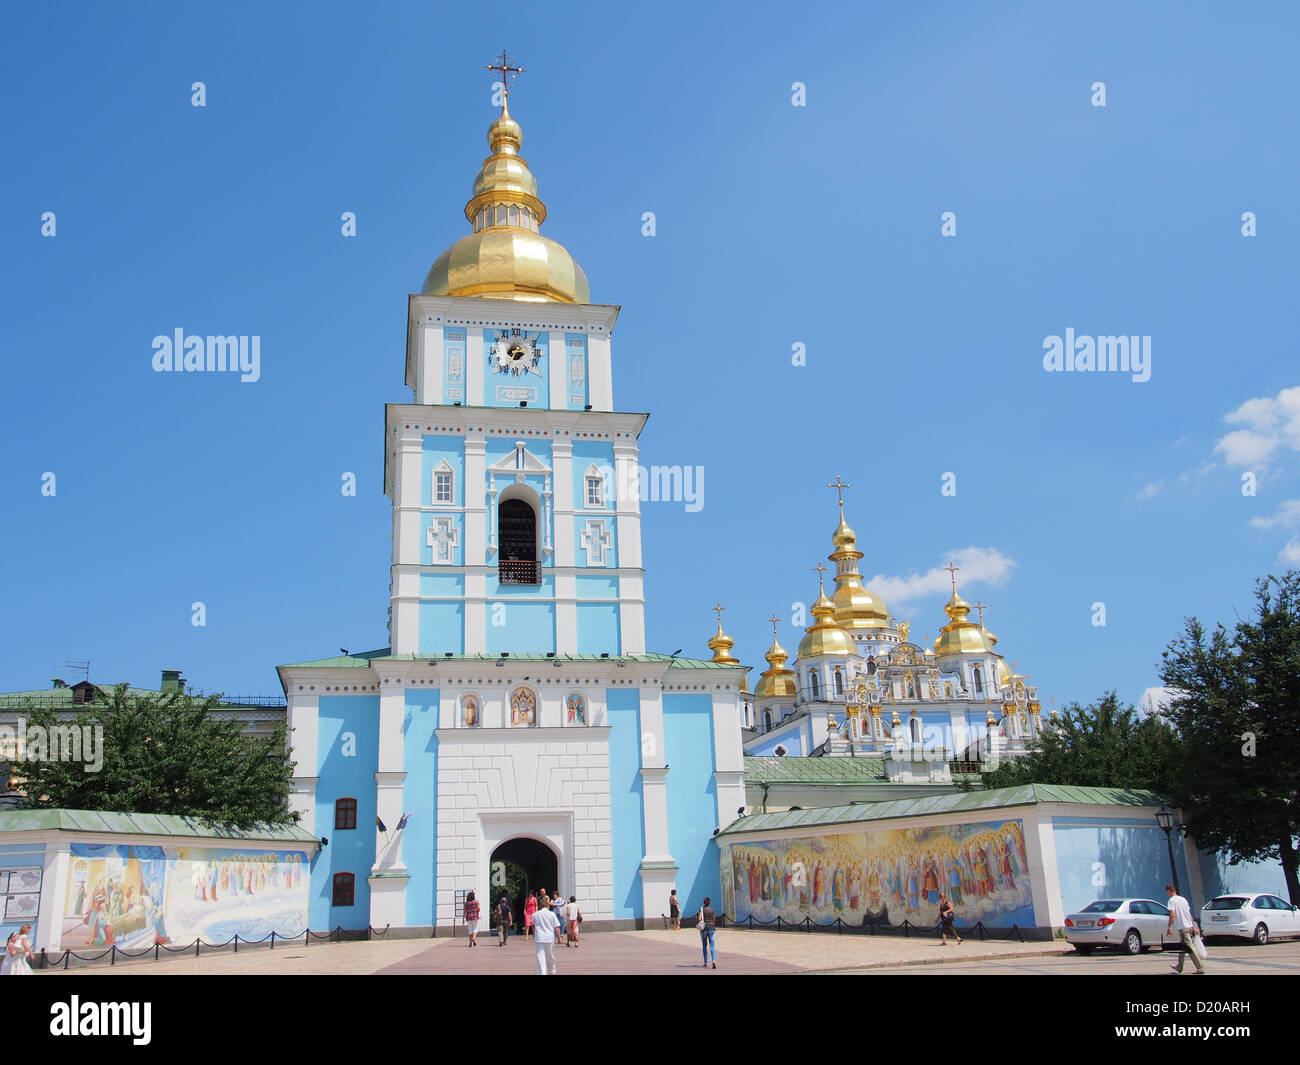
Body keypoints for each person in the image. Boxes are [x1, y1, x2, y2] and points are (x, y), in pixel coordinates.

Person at [1166, 884, 1206, 974]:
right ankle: (1179, 966)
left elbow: (1172, 914)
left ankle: (1200, 968)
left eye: (1167, 892)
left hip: (1183, 928)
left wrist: (1169, 927)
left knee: (1189, 948)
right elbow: (1189, 914)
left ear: (1169, 891)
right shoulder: (1183, 899)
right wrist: (1193, 926)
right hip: (1188, 927)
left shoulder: (1171, 901)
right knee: (1182, 947)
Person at [532, 895, 561, 975]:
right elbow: (557, 926)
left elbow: (533, 925)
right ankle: (552, 971)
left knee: (540, 957)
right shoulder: (552, 914)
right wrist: (559, 937)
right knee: (550, 956)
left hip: (539, 938)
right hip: (550, 938)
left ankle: (542, 973)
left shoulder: (535, 914)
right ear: (548, 905)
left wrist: (534, 935)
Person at [698, 896, 717, 969]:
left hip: (704, 929)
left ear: (704, 902)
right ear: (709, 902)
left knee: (704, 946)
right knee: (712, 945)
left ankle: (706, 962)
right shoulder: (712, 910)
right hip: (712, 928)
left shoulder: (701, 910)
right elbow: (714, 920)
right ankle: (714, 961)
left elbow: (699, 919)